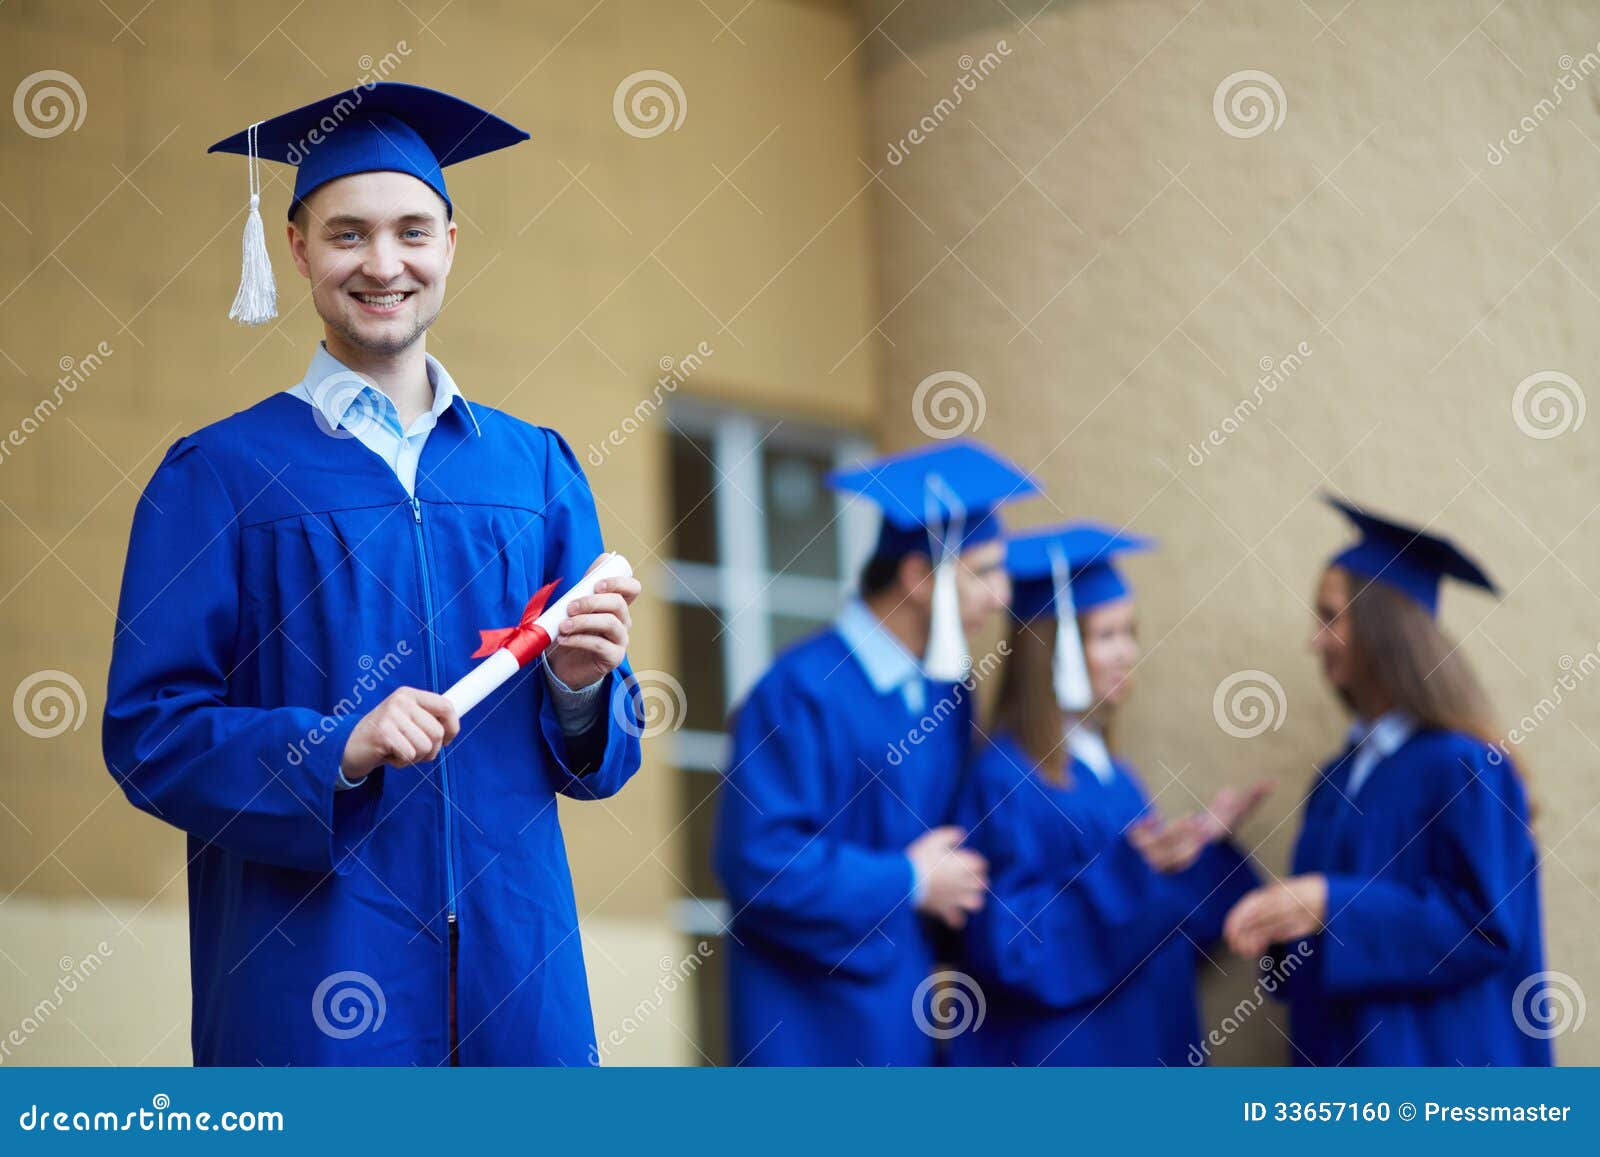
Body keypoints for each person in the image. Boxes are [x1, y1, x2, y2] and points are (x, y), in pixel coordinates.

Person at [102, 83, 646, 1066]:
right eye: (348, 234)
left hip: (515, 980)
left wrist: (578, 684)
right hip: (310, 974)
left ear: (451, 245)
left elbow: (601, 757)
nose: (384, 264)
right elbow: (151, 734)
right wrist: (335, 746)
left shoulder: (534, 470)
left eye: (412, 232)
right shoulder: (221, 474)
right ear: (298, 248)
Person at [713, 440, 1037, 1065]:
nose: (1000, 596)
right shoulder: (801, 691)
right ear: (918, 577)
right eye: (983, 572)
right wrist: (909, 880)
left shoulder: (947, 692)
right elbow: (759, 863)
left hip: (904, 1012)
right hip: (809, 1025)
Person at [1222, 496, 1551, 1066]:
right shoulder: (1338, 776)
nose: (1314, 640)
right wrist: (1280, 923)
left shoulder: (1464, 766)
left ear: (1383, 629)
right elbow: (1316, 944)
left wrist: (1332, 906)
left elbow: (1486, 928)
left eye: (1330, 616)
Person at [954, 522, 1269, 1066]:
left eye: (1130, 633)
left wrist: (1198, 851)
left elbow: (1156, 922)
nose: (1127, 653)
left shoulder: (1113, 774)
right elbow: (1013, 950)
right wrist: (1134, 870)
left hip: (1142, 1038)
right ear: (1049, 650)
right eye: (1105, 636)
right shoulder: (1006, 780)